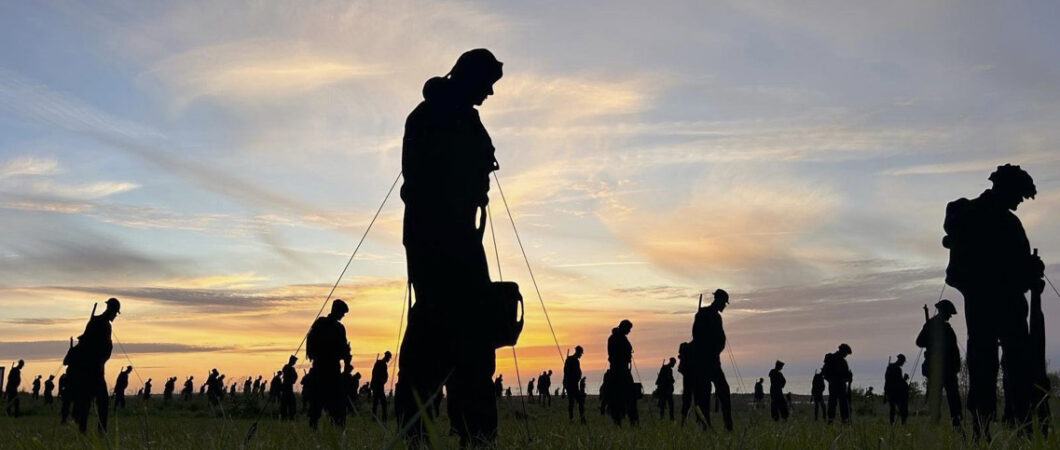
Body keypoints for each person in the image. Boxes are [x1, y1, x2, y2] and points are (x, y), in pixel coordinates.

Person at [394, 48, 509, 448]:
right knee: (434, 330)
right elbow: (423, 181)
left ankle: (474, 433)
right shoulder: (429, 117)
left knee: (472, 336)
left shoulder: (461, 117)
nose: (490, 94)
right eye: (488, 85)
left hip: (459, 237)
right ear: (469, 77)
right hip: (436, 242)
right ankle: (420, 433)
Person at [943, 164, 1042, 439]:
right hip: (997, 304)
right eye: (1019, 195)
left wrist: (1031, 271)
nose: (1020, 202)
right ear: (1006, 189)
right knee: (995, 364)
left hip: (991, 304)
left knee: (992, 364)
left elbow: (1018, 269)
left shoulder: (972, 214)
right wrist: (1030, 272)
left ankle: (997, 428)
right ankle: (991, 429)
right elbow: (1013, 270)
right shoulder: (979, 215)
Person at [65, 298, 119, 433]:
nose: (115, 316)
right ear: (111, 310)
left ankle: (84, 430)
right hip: (93, 369)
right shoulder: (104, 325)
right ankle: (100, 431)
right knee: (101, 402)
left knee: (87, 401)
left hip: (90, 367)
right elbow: (100, 347)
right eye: (115, 313)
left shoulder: (96, 321)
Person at [305, 299, 352, 429]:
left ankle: (336, 429)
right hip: (322, 368)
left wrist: (347, 362)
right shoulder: (322, 324)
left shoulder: (339, 328)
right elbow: (311, 345)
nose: (343, 315)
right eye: (342, 312)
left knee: (337, 404)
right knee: (317, 403)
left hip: (332, 369)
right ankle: (314, 428)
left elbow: (344, 349)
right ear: (335, 310)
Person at [915, 299, 963, 427]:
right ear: (943, 311)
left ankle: (956, 422)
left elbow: (953, 350)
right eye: (949, 313)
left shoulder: (945, 328)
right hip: (938, 369)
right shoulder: (932, 326)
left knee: (953, 399)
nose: (950, 316)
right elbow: (919, 342)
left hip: (948, 369)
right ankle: (937, 422)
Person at [692, 289, 733, 430]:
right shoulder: (706, 315)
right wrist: (712, 351)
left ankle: (720, 426)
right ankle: (710, 426)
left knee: (715, 392)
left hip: (711, 360)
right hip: (707, 361)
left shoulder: (708, 315)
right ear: (719, 300)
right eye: (724, 303)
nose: (724, 306)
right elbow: (697, 337)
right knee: (709, 394)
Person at [606, 319, 638, 426]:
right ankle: (620, 421)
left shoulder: (620, 338)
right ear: (623, 327)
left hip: (623, 370)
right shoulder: (615, 338)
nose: (629, 331)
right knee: (620, 397)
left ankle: (630, 421)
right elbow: (615, 356)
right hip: (618, 371)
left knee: (629, 397)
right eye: (628, 329)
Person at [823, 343, 853, 424]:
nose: (846, 355)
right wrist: (848, 377)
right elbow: (844, 375)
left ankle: (835, 419)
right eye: (846, 353)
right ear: (843, 351)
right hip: (837, 385)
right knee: (839, 402)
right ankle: (840, 420)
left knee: (836, 402)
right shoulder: (838, 360)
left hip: (835, 384)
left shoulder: (833, 359)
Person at [676, 342, 701, 427]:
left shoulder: (686, 347)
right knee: (697, 400)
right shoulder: (697, 346)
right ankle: (699, 422)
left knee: (688, 401)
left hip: (688, 378)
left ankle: (684, 423)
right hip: (694, 378)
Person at [884, 354, 909, 425]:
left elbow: (886, 380)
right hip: (896, 392)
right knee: (902, 408)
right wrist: (905, 379)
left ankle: (891, 423)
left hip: (889, 391)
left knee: (892, 409)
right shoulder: (898, 369)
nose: (903, 364)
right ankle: (903, 423)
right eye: (903, 362)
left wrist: (885, 393)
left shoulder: (890, 367)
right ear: (900, 361)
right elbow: (899, 382)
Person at [564, 346, 586, 423]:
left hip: (573, 384)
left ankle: (577, 418)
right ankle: (574, 419)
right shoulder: (573, 360)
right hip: (571, 384)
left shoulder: (571, 360)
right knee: (575, 402)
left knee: (576, 402)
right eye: (581, 353)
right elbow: (566, 373)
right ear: (578, 352)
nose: (581, 355)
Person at [371, 351, 392, 422]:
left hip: (379, 385)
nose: (389, 359)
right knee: (382, 402)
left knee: (376, 402)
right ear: (387, 357)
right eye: (389, 358)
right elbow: (374, 373)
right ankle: (383, 419)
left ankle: (376, 418)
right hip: (377, 385)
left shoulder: (381, 364)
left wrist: (383, 380)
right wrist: (380, 381)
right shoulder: (380, 363)